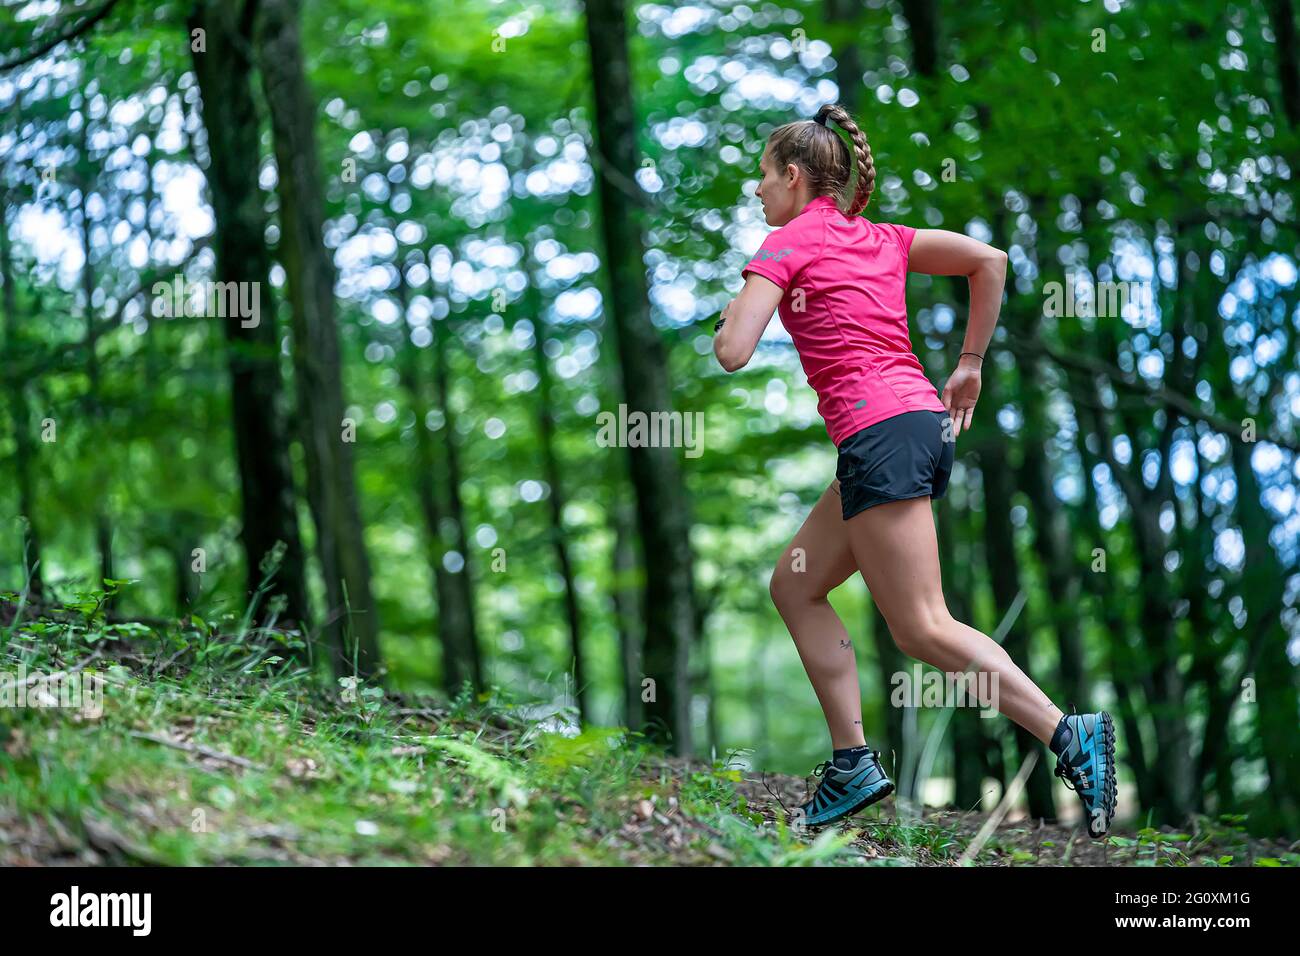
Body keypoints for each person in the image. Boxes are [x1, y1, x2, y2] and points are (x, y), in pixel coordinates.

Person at [712, 103, 1117, 837]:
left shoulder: (785, 243)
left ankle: (1069, 733)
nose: (758, 190)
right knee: (797, 585)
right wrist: (968, 364)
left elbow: (734, 351)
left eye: (763, 177)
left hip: (880, 432)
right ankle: (852, 763)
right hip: (913, 427)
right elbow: (988, 260)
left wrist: (736, 305)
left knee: (923, 625)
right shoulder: (882, 238)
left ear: (794, 176)